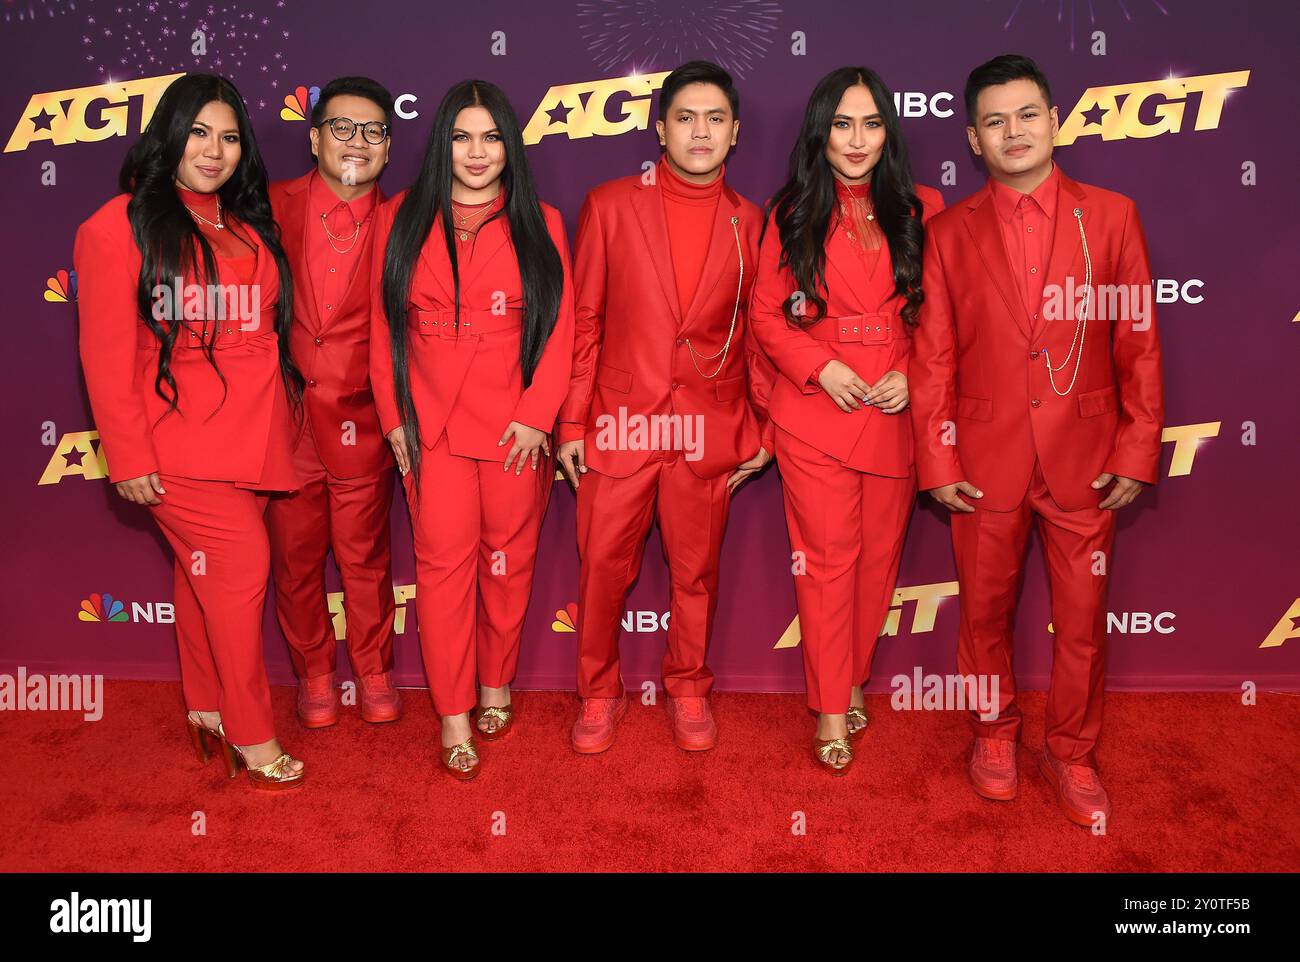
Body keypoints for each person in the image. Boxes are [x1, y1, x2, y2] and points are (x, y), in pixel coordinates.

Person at [910, 54, 1164, 825]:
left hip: (1086, 459)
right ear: (973, 139)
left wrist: (1136, 447)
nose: (1013, 132)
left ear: (1055, 122)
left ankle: (1073, 750)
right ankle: (992, 734)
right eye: (995, 121)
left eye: (1027, 115)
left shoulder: (1112, 215)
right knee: (984, 616)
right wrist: (939, 456)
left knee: (1083, 622)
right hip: (984, 462)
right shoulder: (949, 231)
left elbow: (1139, 341)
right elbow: (935, 357)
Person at [75, 73, 306, 790]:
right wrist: (128, 455)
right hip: (177, 444)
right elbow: (107, 354)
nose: (215, 149)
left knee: (201, 579)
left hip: (254, 437)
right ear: (167, 136)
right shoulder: (116, 226)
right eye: (199, 132)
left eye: (229, 136)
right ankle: (253, 732)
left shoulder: (240, 222)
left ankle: (205, 709)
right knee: (239, 574)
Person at [555, 60, 775, 755]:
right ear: (661, 127)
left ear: (735, 132)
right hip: (619, 425)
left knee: (696, 574)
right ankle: (597, 691)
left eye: (715, 118)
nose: (700, 131)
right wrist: (570, 420)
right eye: (686, 117)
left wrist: (761, 425)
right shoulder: (611, 204)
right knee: (600, 573)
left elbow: (757, 333)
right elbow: (583, 321)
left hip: (707, 431)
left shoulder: (750, 219)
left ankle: (687, 687)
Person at [370, 79, 574, 780]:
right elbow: (381, 325)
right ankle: (453, 714)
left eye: (491, 137)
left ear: (509, 146)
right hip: (432, 428)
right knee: (442, 570)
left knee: (508, 565)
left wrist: (536, 416)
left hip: (516, 428)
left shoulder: (540, 220)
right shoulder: (401, 216)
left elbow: (561, 330)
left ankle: (496, 686)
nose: (477, 151)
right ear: (442, 145)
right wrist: (394, 418)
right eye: (462, 137)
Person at [750, 66, 943, 775]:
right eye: (842, 124)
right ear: (820, 133)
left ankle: (852, 677)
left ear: (888, 130)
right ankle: (832, 707)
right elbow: (768, 315)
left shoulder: (924, 207)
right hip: (816, 412)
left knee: (877, 565)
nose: (857, 139)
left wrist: (910, 374)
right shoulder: (791, 211)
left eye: (869, 123)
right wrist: (817, 367)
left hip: (893, 411)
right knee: (827, 565)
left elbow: (943, 318)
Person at [266, 76, 401, 729]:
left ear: (387, 148)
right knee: (294, 563)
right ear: (314, 137)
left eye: (372, 131)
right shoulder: (267, 207)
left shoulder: (406, 220)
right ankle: (315, 675)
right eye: (342, 127)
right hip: (282, 423)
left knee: (365, 560)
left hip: (364, 425)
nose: (357, 141)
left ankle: (373, 671)